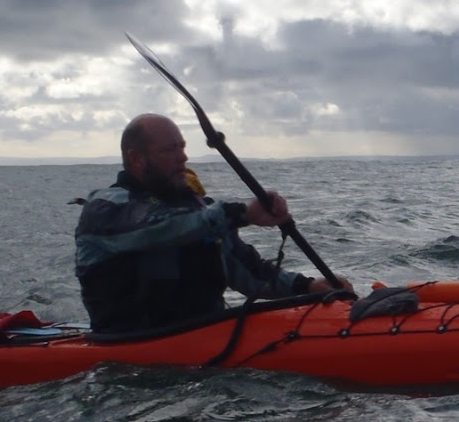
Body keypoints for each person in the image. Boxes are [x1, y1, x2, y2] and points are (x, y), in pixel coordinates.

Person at [74, 113, 351, 334]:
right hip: (127, 349)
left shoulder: (197, 210)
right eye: (170, 150)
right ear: (136, 159)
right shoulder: (105, 208)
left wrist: (308, 287)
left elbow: (249, 270)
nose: (183, 157)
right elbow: (161, 228)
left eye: (182, 147)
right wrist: (242, 213)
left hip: (207, 336)